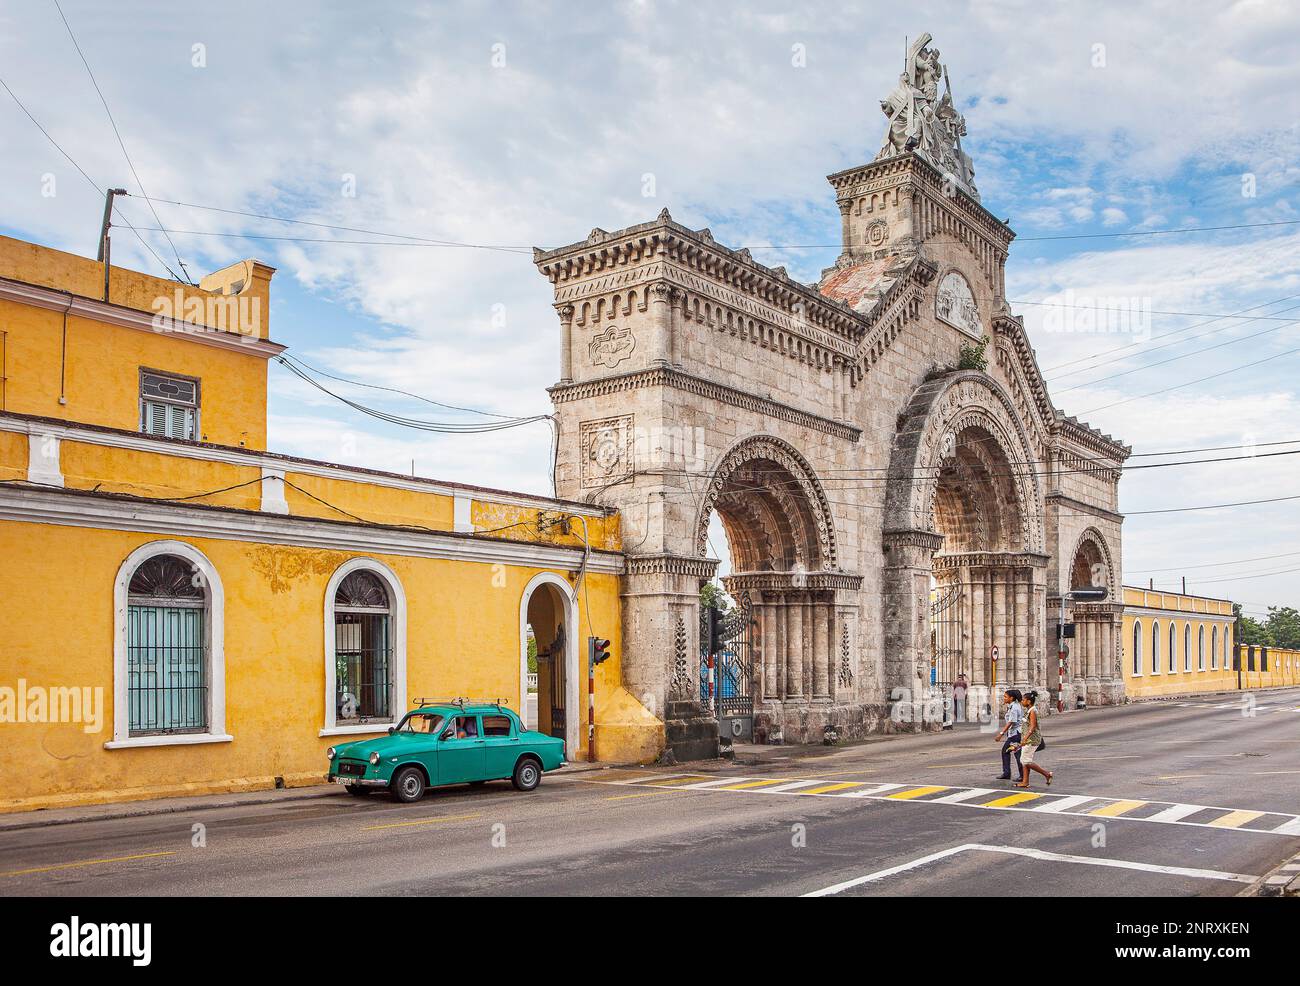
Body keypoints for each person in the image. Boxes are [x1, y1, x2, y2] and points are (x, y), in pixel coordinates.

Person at [1011, 691, 1053, 789]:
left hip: (1032, 739)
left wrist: (1025, 738)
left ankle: (1046, 774)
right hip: (1028, 739)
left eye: (1023, 700)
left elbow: (1033, 726)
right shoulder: (1029, 710)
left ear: (1029, 701)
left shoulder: (1033, 711)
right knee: (1025, 760)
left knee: (1025, 761)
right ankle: (1025, 782)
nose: (1022, 701)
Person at [994, 688, 1023, 780]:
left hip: (1015, 734)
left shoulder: (1014, 708)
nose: (1004, 698)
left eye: (1006, 697)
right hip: (1014, 733)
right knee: (1008, 752)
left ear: (1011, 698)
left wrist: (1001, 734)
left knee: (1015, 753)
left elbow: (1011, 722)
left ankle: (1020, 775)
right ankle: (1008, 773)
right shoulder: (1013, 706)